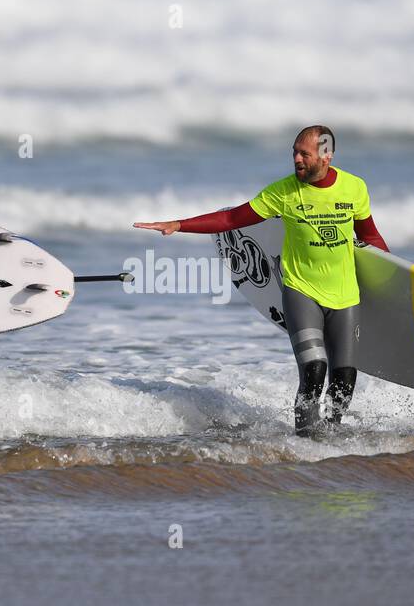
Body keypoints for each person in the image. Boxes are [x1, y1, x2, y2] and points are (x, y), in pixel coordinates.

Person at [135, 125, 389, 434]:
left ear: (326, 155)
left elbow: (369, 236)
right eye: (294, 152)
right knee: (314, 368)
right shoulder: (283, 192)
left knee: (345, 379)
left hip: (345, 296)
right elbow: (232, 219)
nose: (296, 159)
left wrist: (399, 279)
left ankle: (332, 436)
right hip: (301, 292)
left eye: (304, 154)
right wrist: (178, 224)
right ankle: (306, 439)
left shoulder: (355, 188)